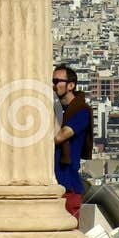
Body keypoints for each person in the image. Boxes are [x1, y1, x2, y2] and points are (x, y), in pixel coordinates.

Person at [52, 64, 93, 219]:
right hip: (50, 180)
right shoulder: (53, 108)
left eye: (57, 81)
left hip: (68, 181)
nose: (53, 85)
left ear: (71, 85)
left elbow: (60, 136)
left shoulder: (81, 111)